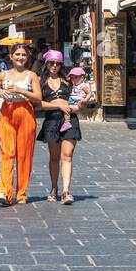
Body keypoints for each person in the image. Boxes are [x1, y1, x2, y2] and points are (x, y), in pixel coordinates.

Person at [0, 42, 42, 206]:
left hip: (26, 114)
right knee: (7, 152)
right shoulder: (3, 75)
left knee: (24, 155)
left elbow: (38, 98)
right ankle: (4, 191)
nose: (20, 57)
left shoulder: (32, 75)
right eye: (17, 54)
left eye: (23, 55)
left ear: (28, 57)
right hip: (7, 114)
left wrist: (21, 91)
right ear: (11, 56)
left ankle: (21, 193)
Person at [37, 51, 81, 204]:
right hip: (52, 121)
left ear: (61, 65)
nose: (55, 66)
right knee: (54, 158)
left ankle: (66, 191)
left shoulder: (68, 80)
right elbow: (39, 104)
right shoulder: (40, 82)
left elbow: (80, 96)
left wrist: (77, 106)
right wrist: (57, 105)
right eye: (51, 63)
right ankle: (54, 188)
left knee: (67, 155)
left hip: (69, 119)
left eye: (58, 63)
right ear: (46, 64)